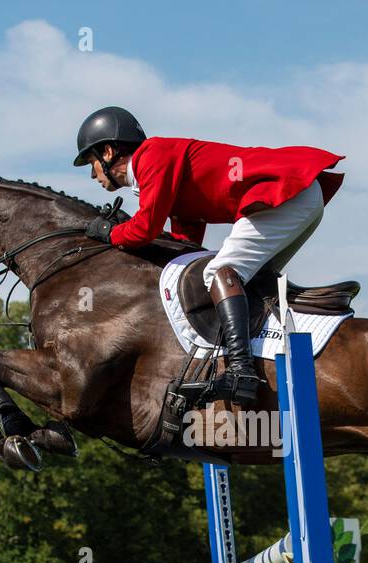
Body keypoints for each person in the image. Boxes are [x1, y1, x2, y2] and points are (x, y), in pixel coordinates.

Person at [73, 106, 345, 407]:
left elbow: (144, 228)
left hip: (284, 196)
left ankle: (241, 370)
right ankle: (268, 353)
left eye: (91, 163)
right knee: (243, 281)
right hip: (300, 199)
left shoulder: (151, 155)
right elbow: (186, 241)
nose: (92, 174)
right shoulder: (158, 165)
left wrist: (110, 234)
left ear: (108, 152)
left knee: (219, 273)